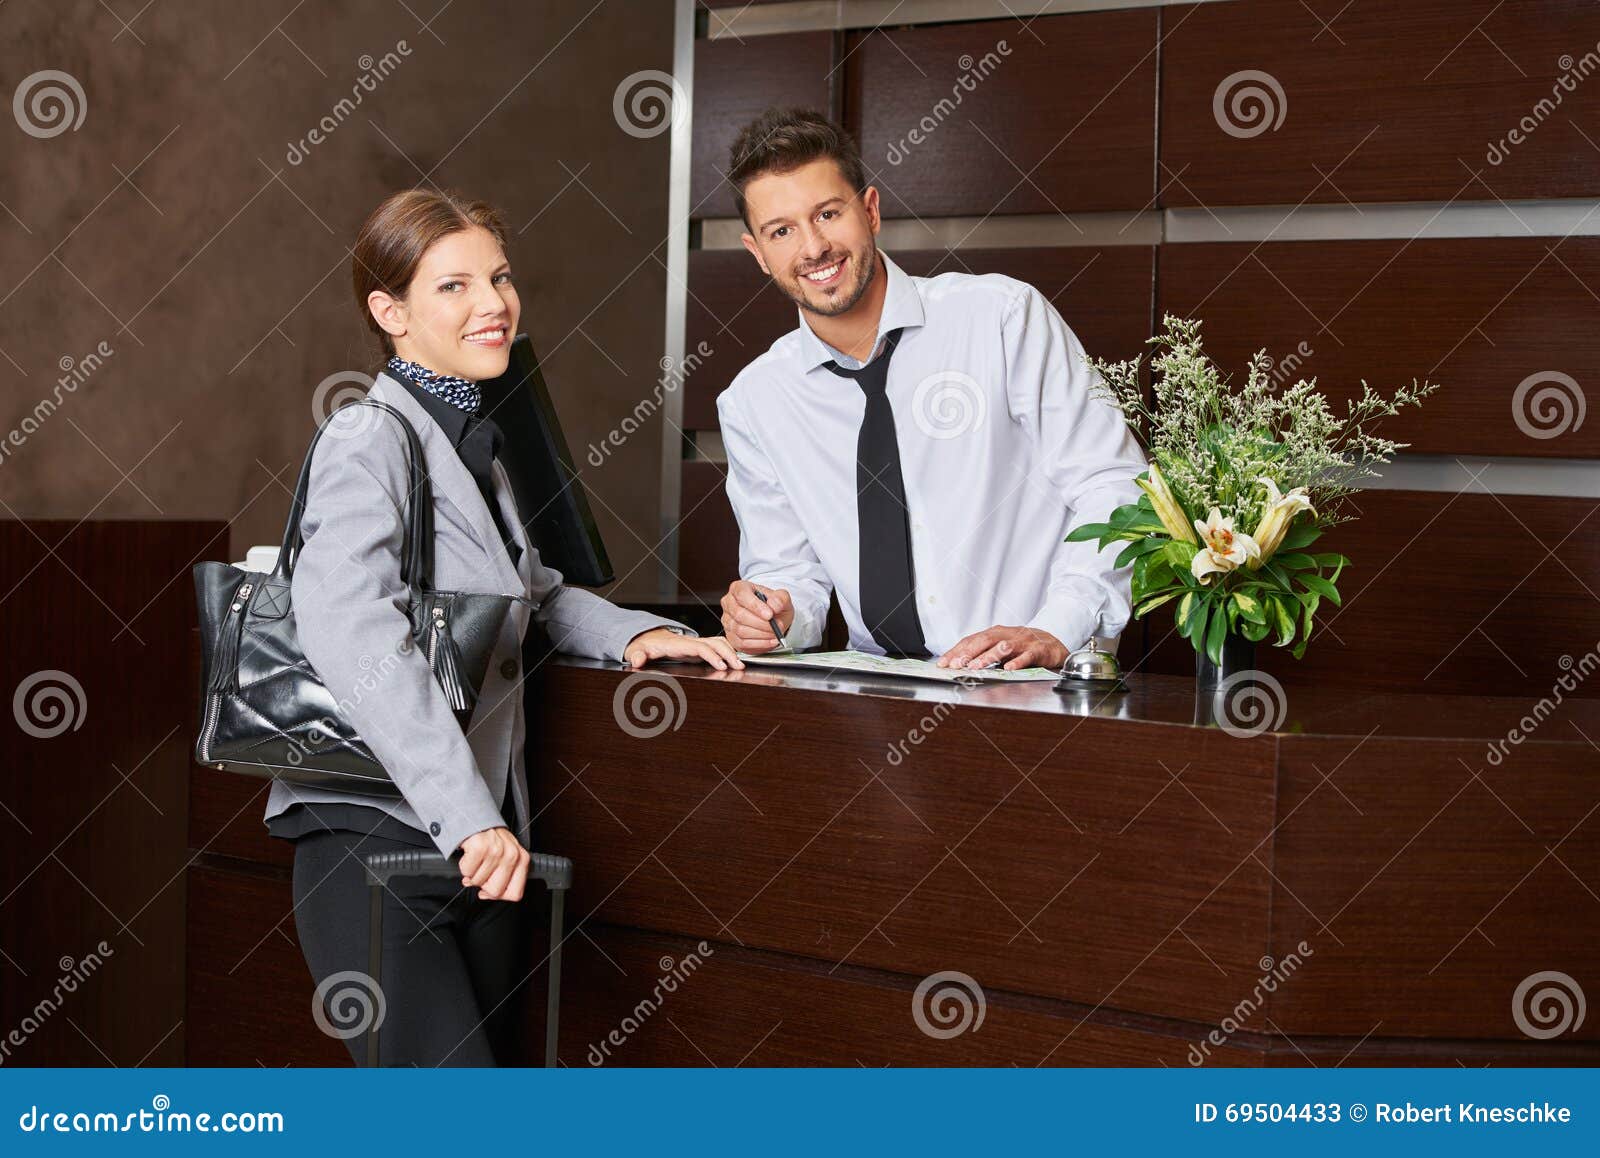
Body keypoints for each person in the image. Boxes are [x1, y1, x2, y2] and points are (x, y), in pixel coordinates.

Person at [264, 189, 742, 1067]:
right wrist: (468, 820)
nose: (493, 304)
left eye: (500, 277)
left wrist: (634, 635)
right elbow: (350, 631)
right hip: (382, 842)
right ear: (390, 312)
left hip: (484, 846)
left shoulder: (471, 439)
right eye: (454, 287)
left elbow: (534, 593)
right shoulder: (370, 438)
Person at [715, 108, 1146, 671]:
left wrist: (1057, 628)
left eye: (827, 213)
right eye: (782, 230)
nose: (814, 247)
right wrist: (770, 617)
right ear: (758, 252)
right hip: (873, 690)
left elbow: (1116, 487)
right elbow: (792, 578)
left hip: (1028, 685)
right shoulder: (754, 401)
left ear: (869, 211)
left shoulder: (1001, 317)